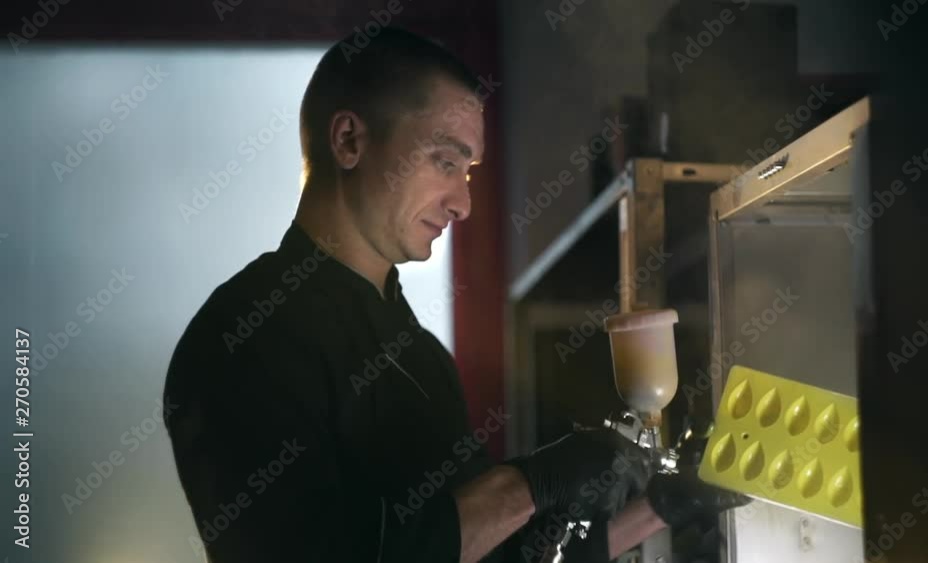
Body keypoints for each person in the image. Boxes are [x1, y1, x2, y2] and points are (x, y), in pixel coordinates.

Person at [163, 26, 745, 563]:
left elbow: (493, 555)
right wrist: (529, 482)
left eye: (467, 171)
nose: (462, 203)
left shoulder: (420, 357)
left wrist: (659, 508)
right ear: (348, 140)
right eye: (446, 161)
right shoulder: (246, 334)